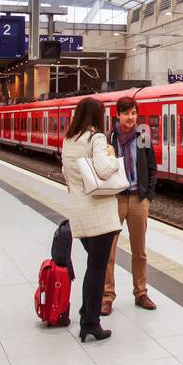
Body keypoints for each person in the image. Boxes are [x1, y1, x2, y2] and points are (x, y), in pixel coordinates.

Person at [60, 98, 122, 341]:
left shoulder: (68, 140)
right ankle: (90, 322)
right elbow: (105, 170)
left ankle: (87, 310)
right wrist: (112, 156)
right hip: (99, 214)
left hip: (79, 212)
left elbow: (66, 174)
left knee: (92, 265)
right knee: (97, 268)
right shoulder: (96, 138)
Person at [103, 96, 157, 314]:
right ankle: (107, 296)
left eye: (134, 113)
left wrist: (148, 195)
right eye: (126, 113)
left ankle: (141, 292)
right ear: (118, 115)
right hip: (115, 198)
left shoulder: (142, 136)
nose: (131, 118)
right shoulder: (109, 138)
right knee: (109, 252)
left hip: (137, 197)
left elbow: (152, 166)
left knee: (140, 251)